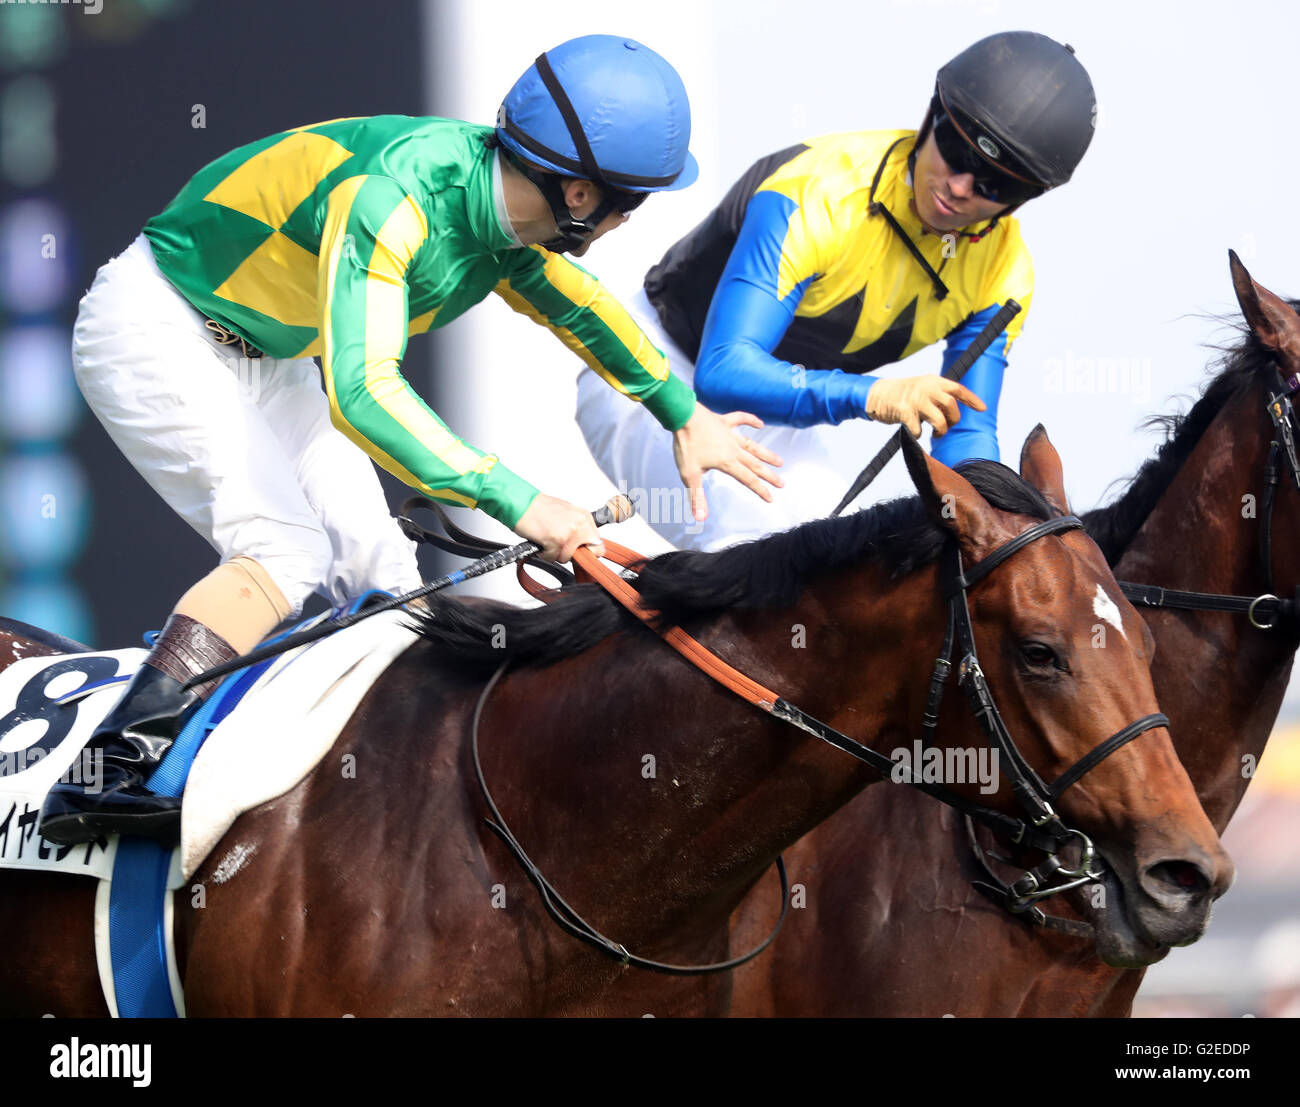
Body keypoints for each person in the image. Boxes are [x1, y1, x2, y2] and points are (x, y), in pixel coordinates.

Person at [39, 34, 782, 845]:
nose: (627, 219)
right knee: (284, 549)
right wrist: (524, 503)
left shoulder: (503, 212)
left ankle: (374, 805)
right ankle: (106, 769)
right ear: (575, 190)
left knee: (392, 585)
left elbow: (580, 306)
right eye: (628, 200)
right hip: (156, 324)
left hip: (269, 352)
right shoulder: (395, 197)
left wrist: (684, 412)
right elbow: (363, 395)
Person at [576, 30, 1096, 550]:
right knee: (756, 553)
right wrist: (874, 395)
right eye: (957, 151)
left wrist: (995, 532)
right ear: (932, 115)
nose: (959, 187)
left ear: (1024, 199)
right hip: (652, 372)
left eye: (994, 185)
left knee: (846, 572)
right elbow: (723, 373)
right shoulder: (818, 192)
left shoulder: (1005, 274)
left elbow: (964, 430)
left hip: (775, 416)